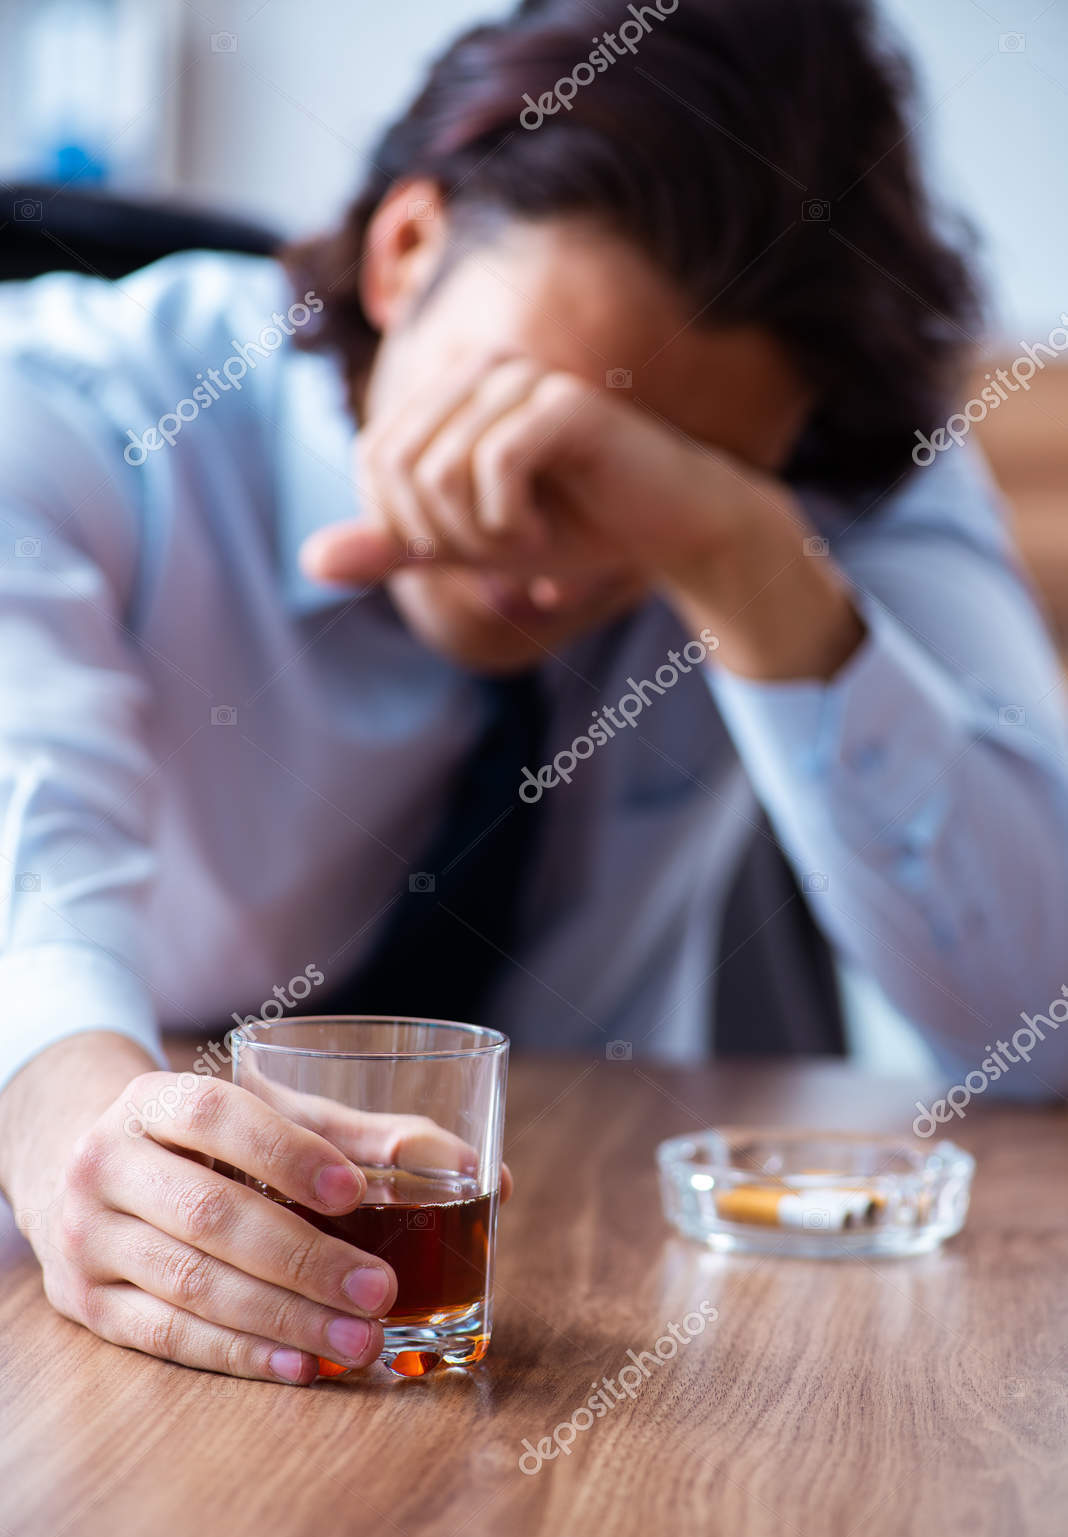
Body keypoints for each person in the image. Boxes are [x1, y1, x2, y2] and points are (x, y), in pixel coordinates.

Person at [1, 0, 1066, 1383]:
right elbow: (29, 886)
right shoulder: (63, 410)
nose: (546, 553)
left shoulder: (824, 458)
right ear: (406, 252)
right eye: (526, 417)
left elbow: (1045, 1023)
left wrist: (745, 556)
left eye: (648, 478)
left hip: (596, 1334)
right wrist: (70, 1124)